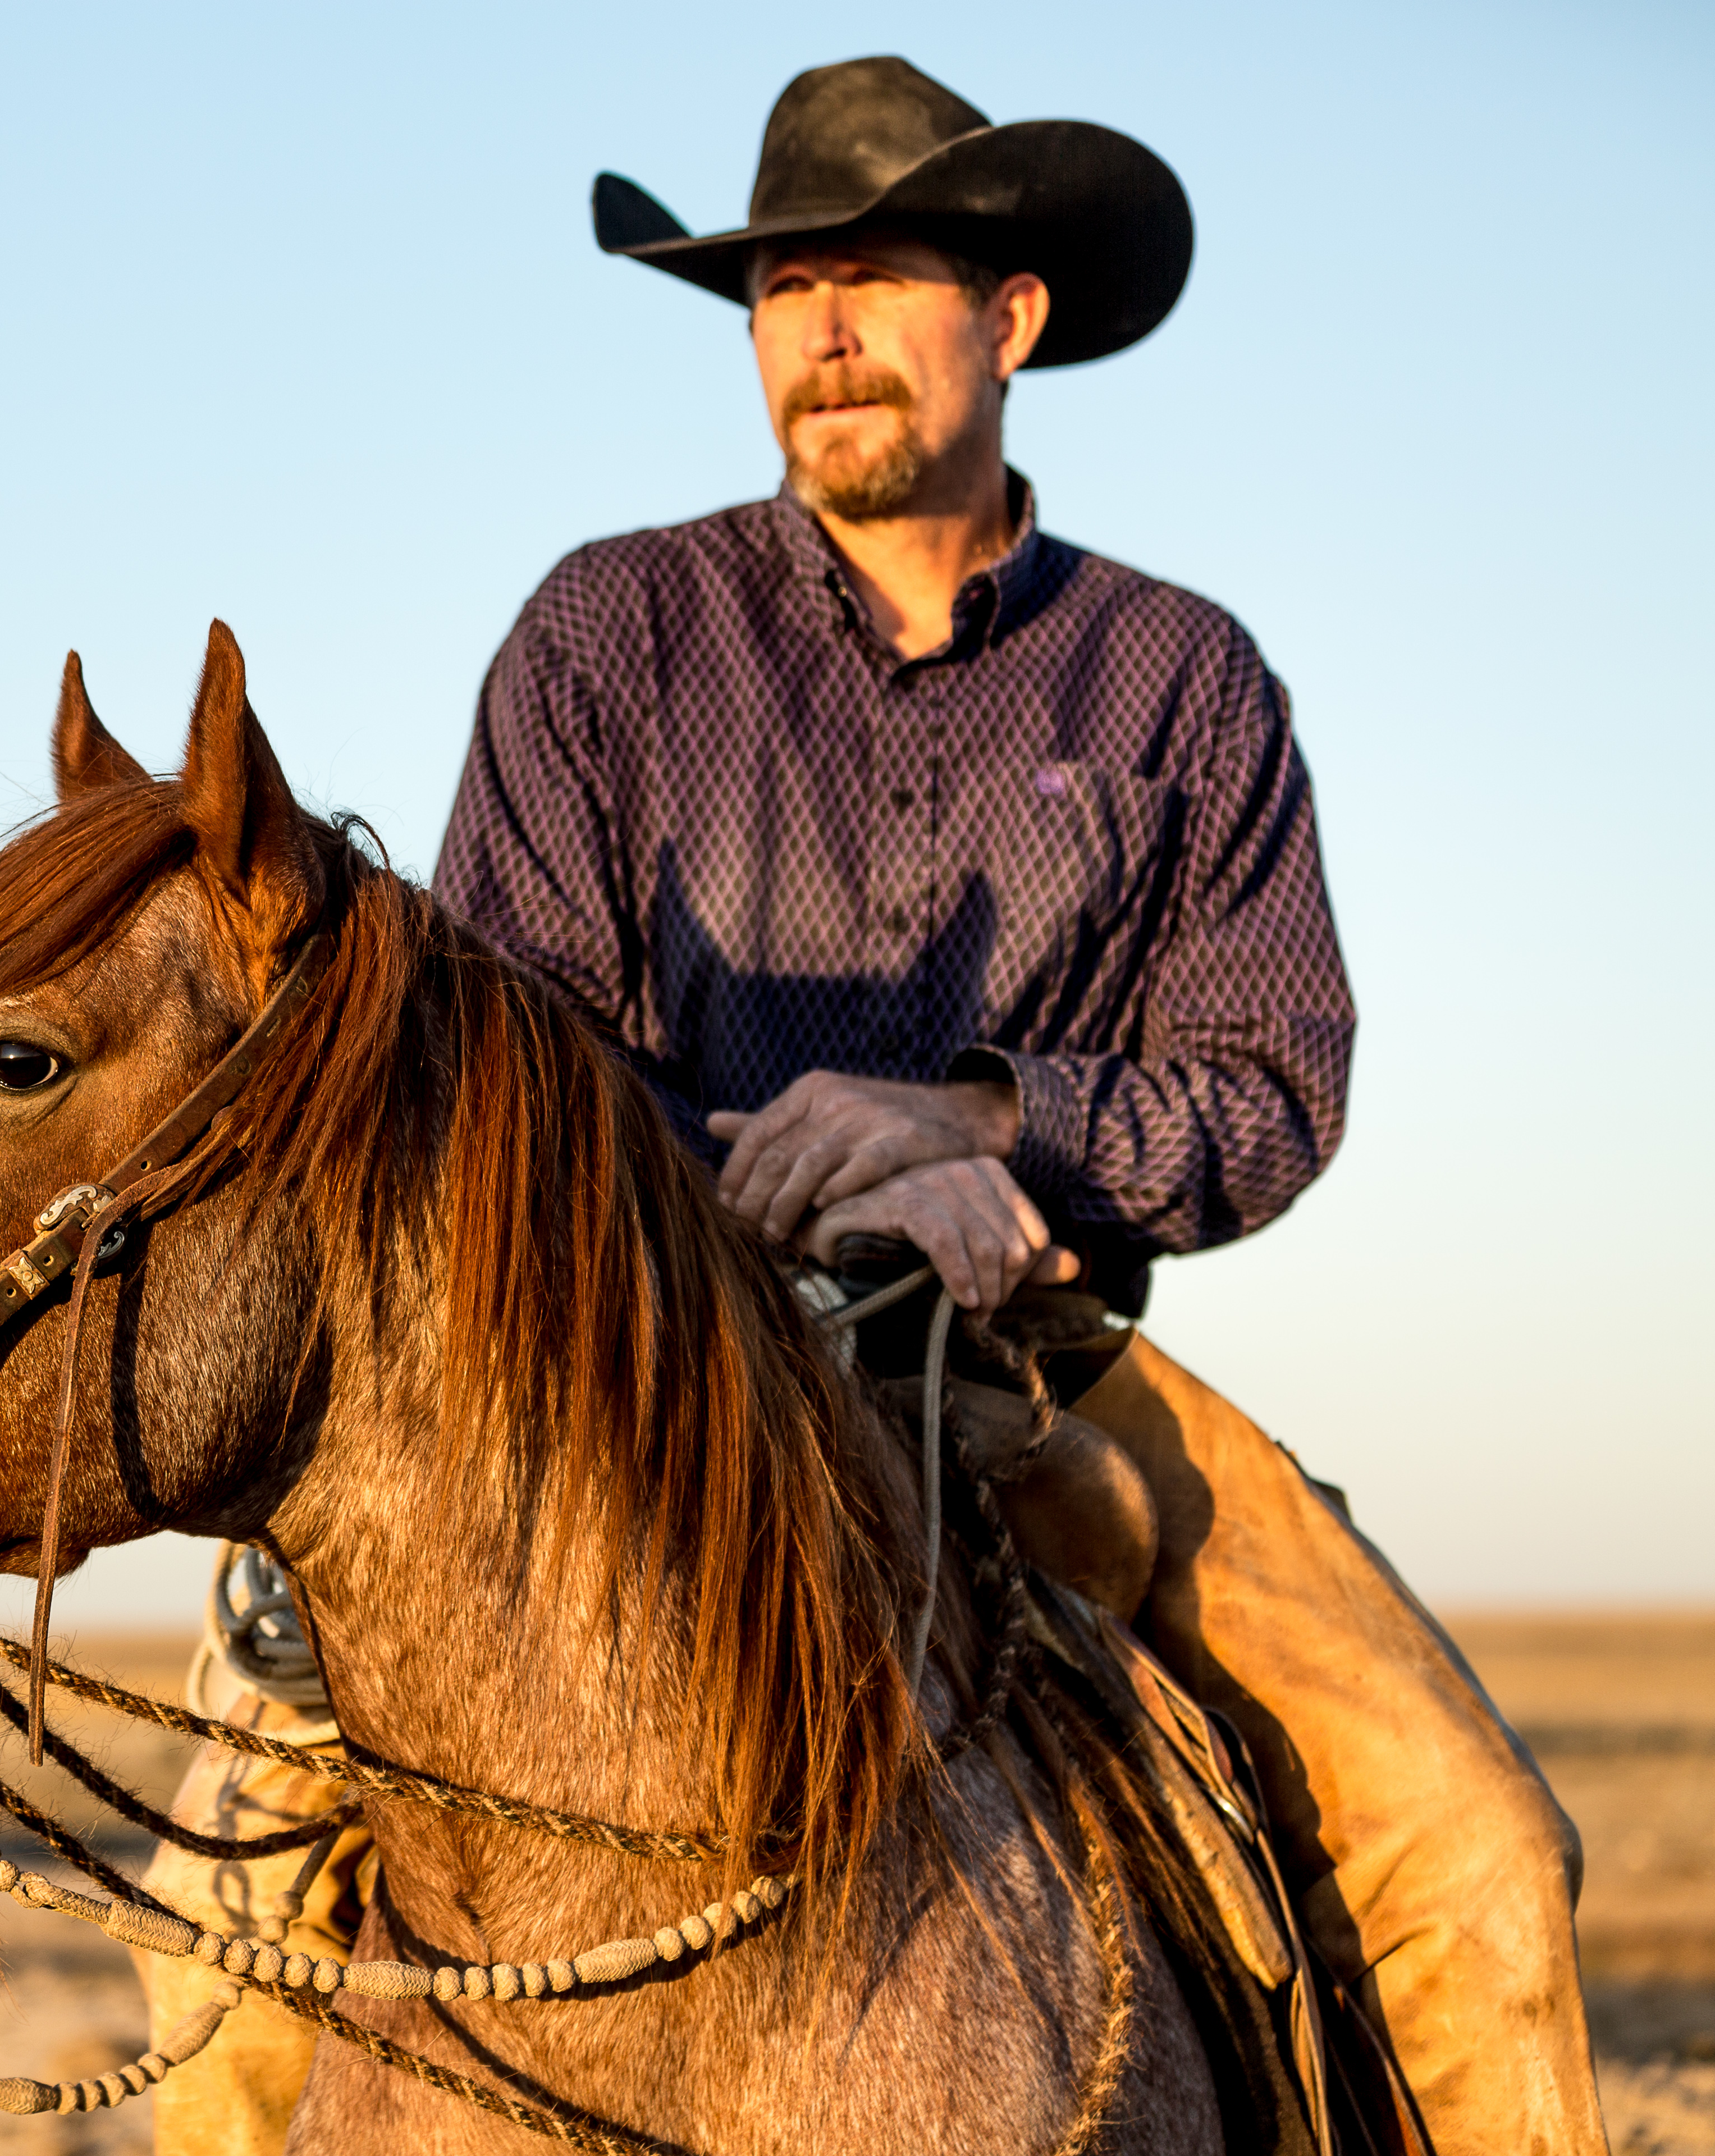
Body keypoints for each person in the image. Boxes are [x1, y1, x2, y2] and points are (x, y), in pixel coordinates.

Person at [137, 56, 1600, 2156]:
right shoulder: (608, 634)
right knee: (228, 1927)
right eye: (780, 290)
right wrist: (814, 1180)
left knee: (1471, 1863)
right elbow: (510, 1078)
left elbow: (1274, 1084)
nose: (819, 334)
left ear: (1008, 318)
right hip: (622, 1387)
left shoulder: (1183, 681)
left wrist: (992, 1133)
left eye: (876, 280)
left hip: (1033, 1373)